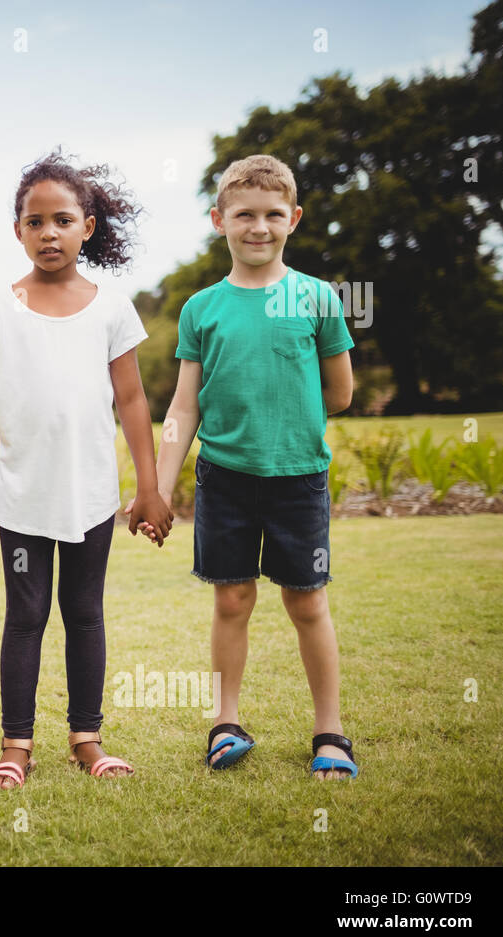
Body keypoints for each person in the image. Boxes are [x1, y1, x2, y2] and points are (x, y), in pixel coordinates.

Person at [0, 151, 172, 789]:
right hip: (22, 501)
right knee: (25, 616)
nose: (48, 232)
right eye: (34, 221)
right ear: (18, 231)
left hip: (93, 498)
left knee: (85, 612)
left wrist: (148, 489)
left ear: (87, 227)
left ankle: (87, 739)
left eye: (62, 220)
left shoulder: (111, 308)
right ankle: (16, 745)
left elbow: (132, 401)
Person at [146, 154, 358, 780]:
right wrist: (158, 488)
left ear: (293, 219)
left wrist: (281, 408)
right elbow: (183, 405)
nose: (258, 226)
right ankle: (226, 724)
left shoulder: (318, 298)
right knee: (232, 600)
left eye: (272, 215)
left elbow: (340, 394)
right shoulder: (201, 308)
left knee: (307, 603)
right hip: (225, 479)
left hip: (298, 476)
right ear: (219, 220)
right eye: (244, 214)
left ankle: (331, 733)